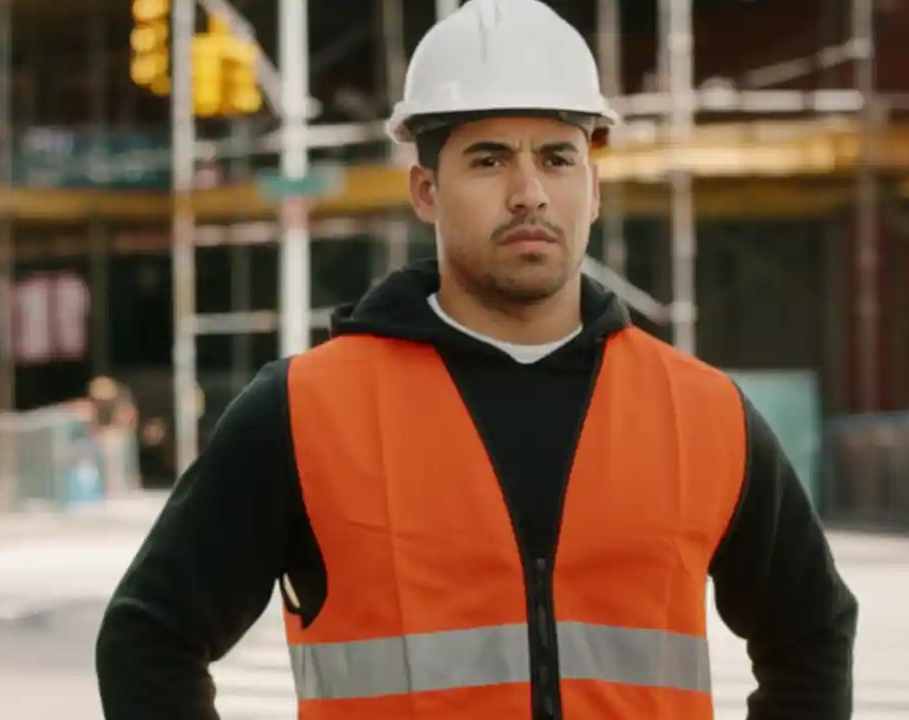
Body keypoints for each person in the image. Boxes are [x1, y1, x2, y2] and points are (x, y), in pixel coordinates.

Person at [96, 1, 857, 718]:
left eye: (557, 158)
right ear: (426, 190)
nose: (529, 193)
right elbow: (148, 638)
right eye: (489, 161)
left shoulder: (702, 414)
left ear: (593, 189)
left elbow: (811, 634)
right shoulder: (303, 411)